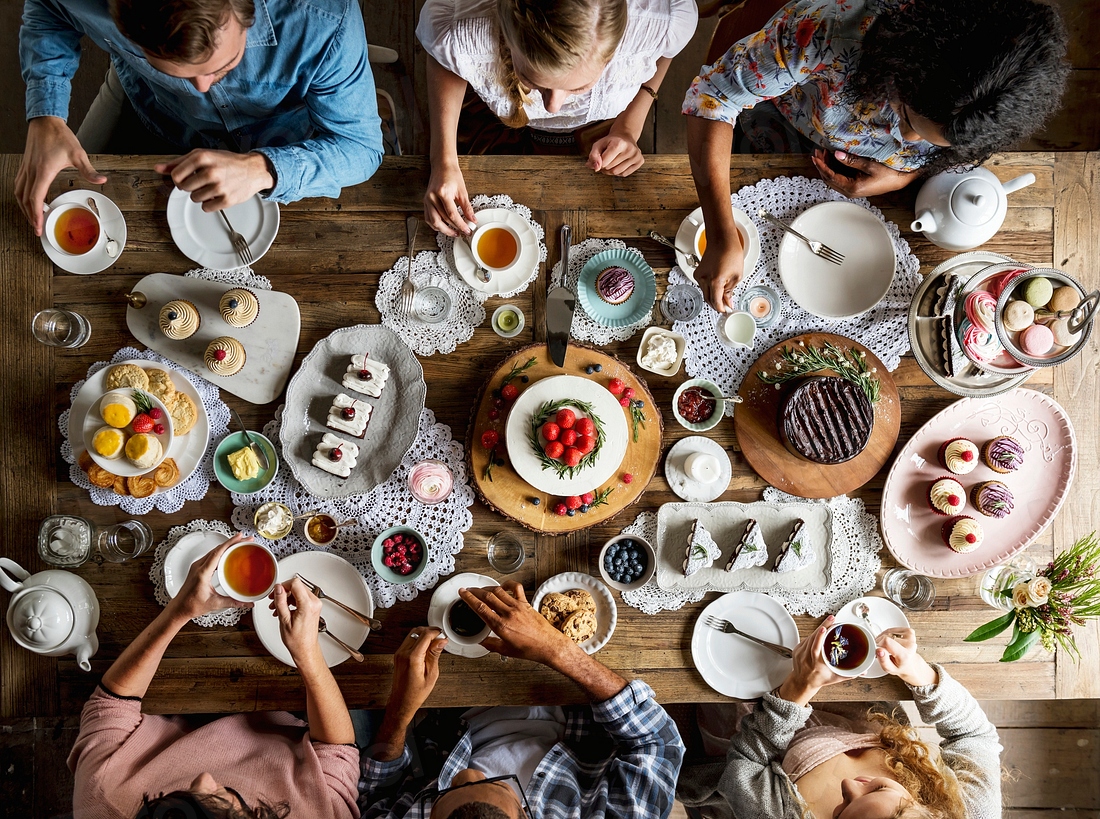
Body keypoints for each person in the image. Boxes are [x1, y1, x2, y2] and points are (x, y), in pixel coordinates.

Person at [681, 0, 1069, 312]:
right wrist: (720, 232)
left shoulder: (993, 104)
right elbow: (713, 98)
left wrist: (906, 176)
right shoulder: (831, 30)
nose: (906, 140)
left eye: (935, 143)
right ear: (904, 66)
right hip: (787, 124)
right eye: (906, 117)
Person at [17, 0, 384, 235]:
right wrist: (46, 113)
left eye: (224, 65)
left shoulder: (323, 15)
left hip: (286, 135)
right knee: (60, 200)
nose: (202, 88)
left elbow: (361, 148)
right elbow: (47, 8)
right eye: (176, 70)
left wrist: (264, 169)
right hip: (152, 108)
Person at [68, 534, 361, 819]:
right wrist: (308, 655)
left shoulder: (103, 798)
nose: (204, 778)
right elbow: (337, 750)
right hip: (294, 727)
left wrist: (179, 611)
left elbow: (110, 704)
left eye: (177, 797)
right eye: (222, 799)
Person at [358, 581, 684, 818]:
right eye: (501, 785)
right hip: (569, 698)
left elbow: (375, 793)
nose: (465, 774)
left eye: (445, 793)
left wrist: (399, 711)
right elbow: (659, 744)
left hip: (443, 714)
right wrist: (558, 650)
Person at [417, 0, 698, 237]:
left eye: (579, 87)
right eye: (530, 79)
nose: (552, 107)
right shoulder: (459, 25)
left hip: (602, 128)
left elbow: (665, 52)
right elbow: (447, 58)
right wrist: (443, 162)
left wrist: (628, 127)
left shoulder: (664, 18)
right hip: (489, 120)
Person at [676, 618, 1002, 819]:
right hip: (857, 707)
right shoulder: (972, 812)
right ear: (930, 811)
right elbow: (973, 736)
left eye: (841, 812)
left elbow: (744, 766)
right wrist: (920, 674)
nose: (849, 787)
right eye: (876, 790)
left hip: (752, 727)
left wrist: (796, 691)